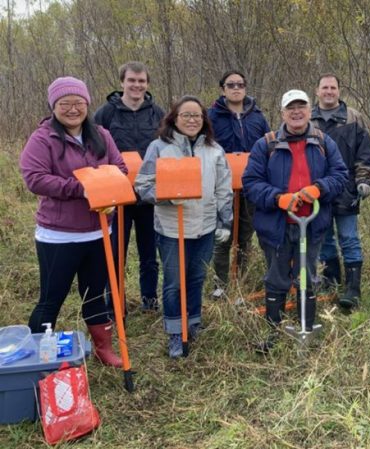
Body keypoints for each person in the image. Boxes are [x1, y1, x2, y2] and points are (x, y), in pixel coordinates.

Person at [20, 76, 127, 367]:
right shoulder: (43, 139)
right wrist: (84, 187)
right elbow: (35, 178)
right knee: (51, 297)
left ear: (87, 104)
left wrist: (108, 188)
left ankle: (103, 348)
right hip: (59, 235)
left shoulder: (101, 135)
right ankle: (38, 355)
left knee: (95, 294)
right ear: (53, 106)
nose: (72, 109)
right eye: (64, 103)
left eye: (78, 103)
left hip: (99, 231)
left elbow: (119, 167)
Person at [242, 90, 347, 351]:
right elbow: (251, 183)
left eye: (302, 106)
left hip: (311, 225)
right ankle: (273, 333)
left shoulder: (323, 142)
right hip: (276, 226)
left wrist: (319, 189)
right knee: (276, 278)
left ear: (310, 111)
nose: (297, 112)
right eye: (291, 108)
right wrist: (277, 198)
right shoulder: (265, 144)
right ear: (282, 114)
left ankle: (306, 328)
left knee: (307, 275)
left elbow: (341, 175)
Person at [134, 96, 233, 358]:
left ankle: (193, 322)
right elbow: (142, 185)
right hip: (171, 230)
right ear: (174, 119)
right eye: (186, 115)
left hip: (205, 227)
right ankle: (176, 331)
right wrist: (166, 195)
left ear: (204, 120)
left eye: (197, 116)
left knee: (196, 279)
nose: (192, 120)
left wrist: (225, 221)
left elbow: (224, 189)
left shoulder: (214, 150)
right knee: (174, 283)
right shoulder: (159, 147)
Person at [94, 61, 165, 312]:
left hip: (148, 196)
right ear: (122, 82)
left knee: (149, 254)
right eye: (132, 80)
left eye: (141, 81)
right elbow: (93, 149)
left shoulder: (158, 113)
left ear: (147, 84)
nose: (137, 85)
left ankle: (149, 299)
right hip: (117, 198)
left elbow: (167, 150)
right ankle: (114, 303)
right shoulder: (105, 114)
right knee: (115, 254)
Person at [310, 73, 370, 309]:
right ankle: (331, 279)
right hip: (318, 190)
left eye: (333, 87)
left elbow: (365, 153)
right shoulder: (309, 120)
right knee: (324, 237)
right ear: (317, 91)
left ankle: (353, 288)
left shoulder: (352, 118)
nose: (329, 91)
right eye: (324, 87)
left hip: (347, 188)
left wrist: (364, 179)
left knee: (349, 238)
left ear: (339, 91)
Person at [208, 70, 271, 298]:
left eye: (240, 84)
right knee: (223, 234)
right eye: (231, 84)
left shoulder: (257, 117)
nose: (236, 88)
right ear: (223, 89)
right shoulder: (211, 117)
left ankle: (241, 279)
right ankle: (221, 284)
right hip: (221, 186)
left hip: (251, 185)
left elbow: (268, 147)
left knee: (245, 234)